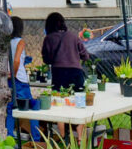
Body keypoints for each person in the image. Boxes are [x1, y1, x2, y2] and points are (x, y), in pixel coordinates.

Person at [41, 12, 90, 142]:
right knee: (79, 105)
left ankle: (63, 138)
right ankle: (80, 138)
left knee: (59, 105)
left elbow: (46, 59)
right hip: (76, 73)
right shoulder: (73, 37)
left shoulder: (49, 39)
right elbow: (85, 55)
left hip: (59, 74)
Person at [6, 16, 41, 141]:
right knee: (32, 107)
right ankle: (36, 138)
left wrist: (9, 74)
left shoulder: (6, 43)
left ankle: (8, 137)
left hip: (8, 79)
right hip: (19, 80)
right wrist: (14, 73)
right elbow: (16, 60)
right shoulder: (20, 42)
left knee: (10, 109)